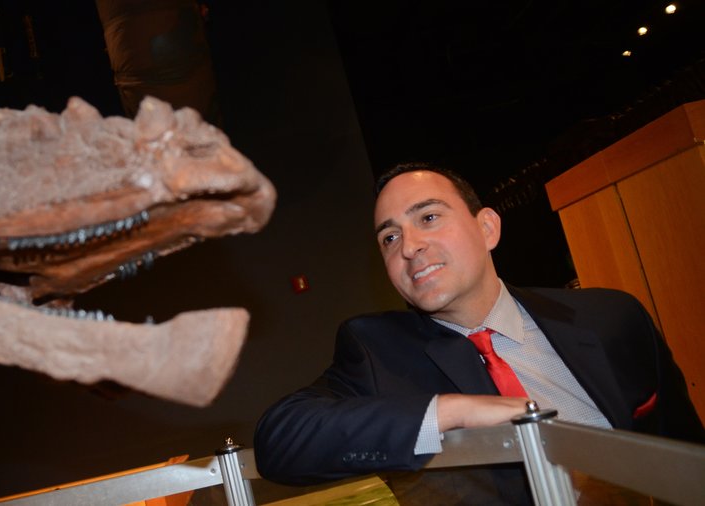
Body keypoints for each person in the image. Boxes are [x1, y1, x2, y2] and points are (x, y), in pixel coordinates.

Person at [253, 162, 704, 503]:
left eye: (428, 217)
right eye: (389, 238)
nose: (409, 247)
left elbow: (687, 457)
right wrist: (453, 412)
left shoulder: (611, 317)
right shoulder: (376, 351)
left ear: (487, 227)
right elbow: (281, 440)